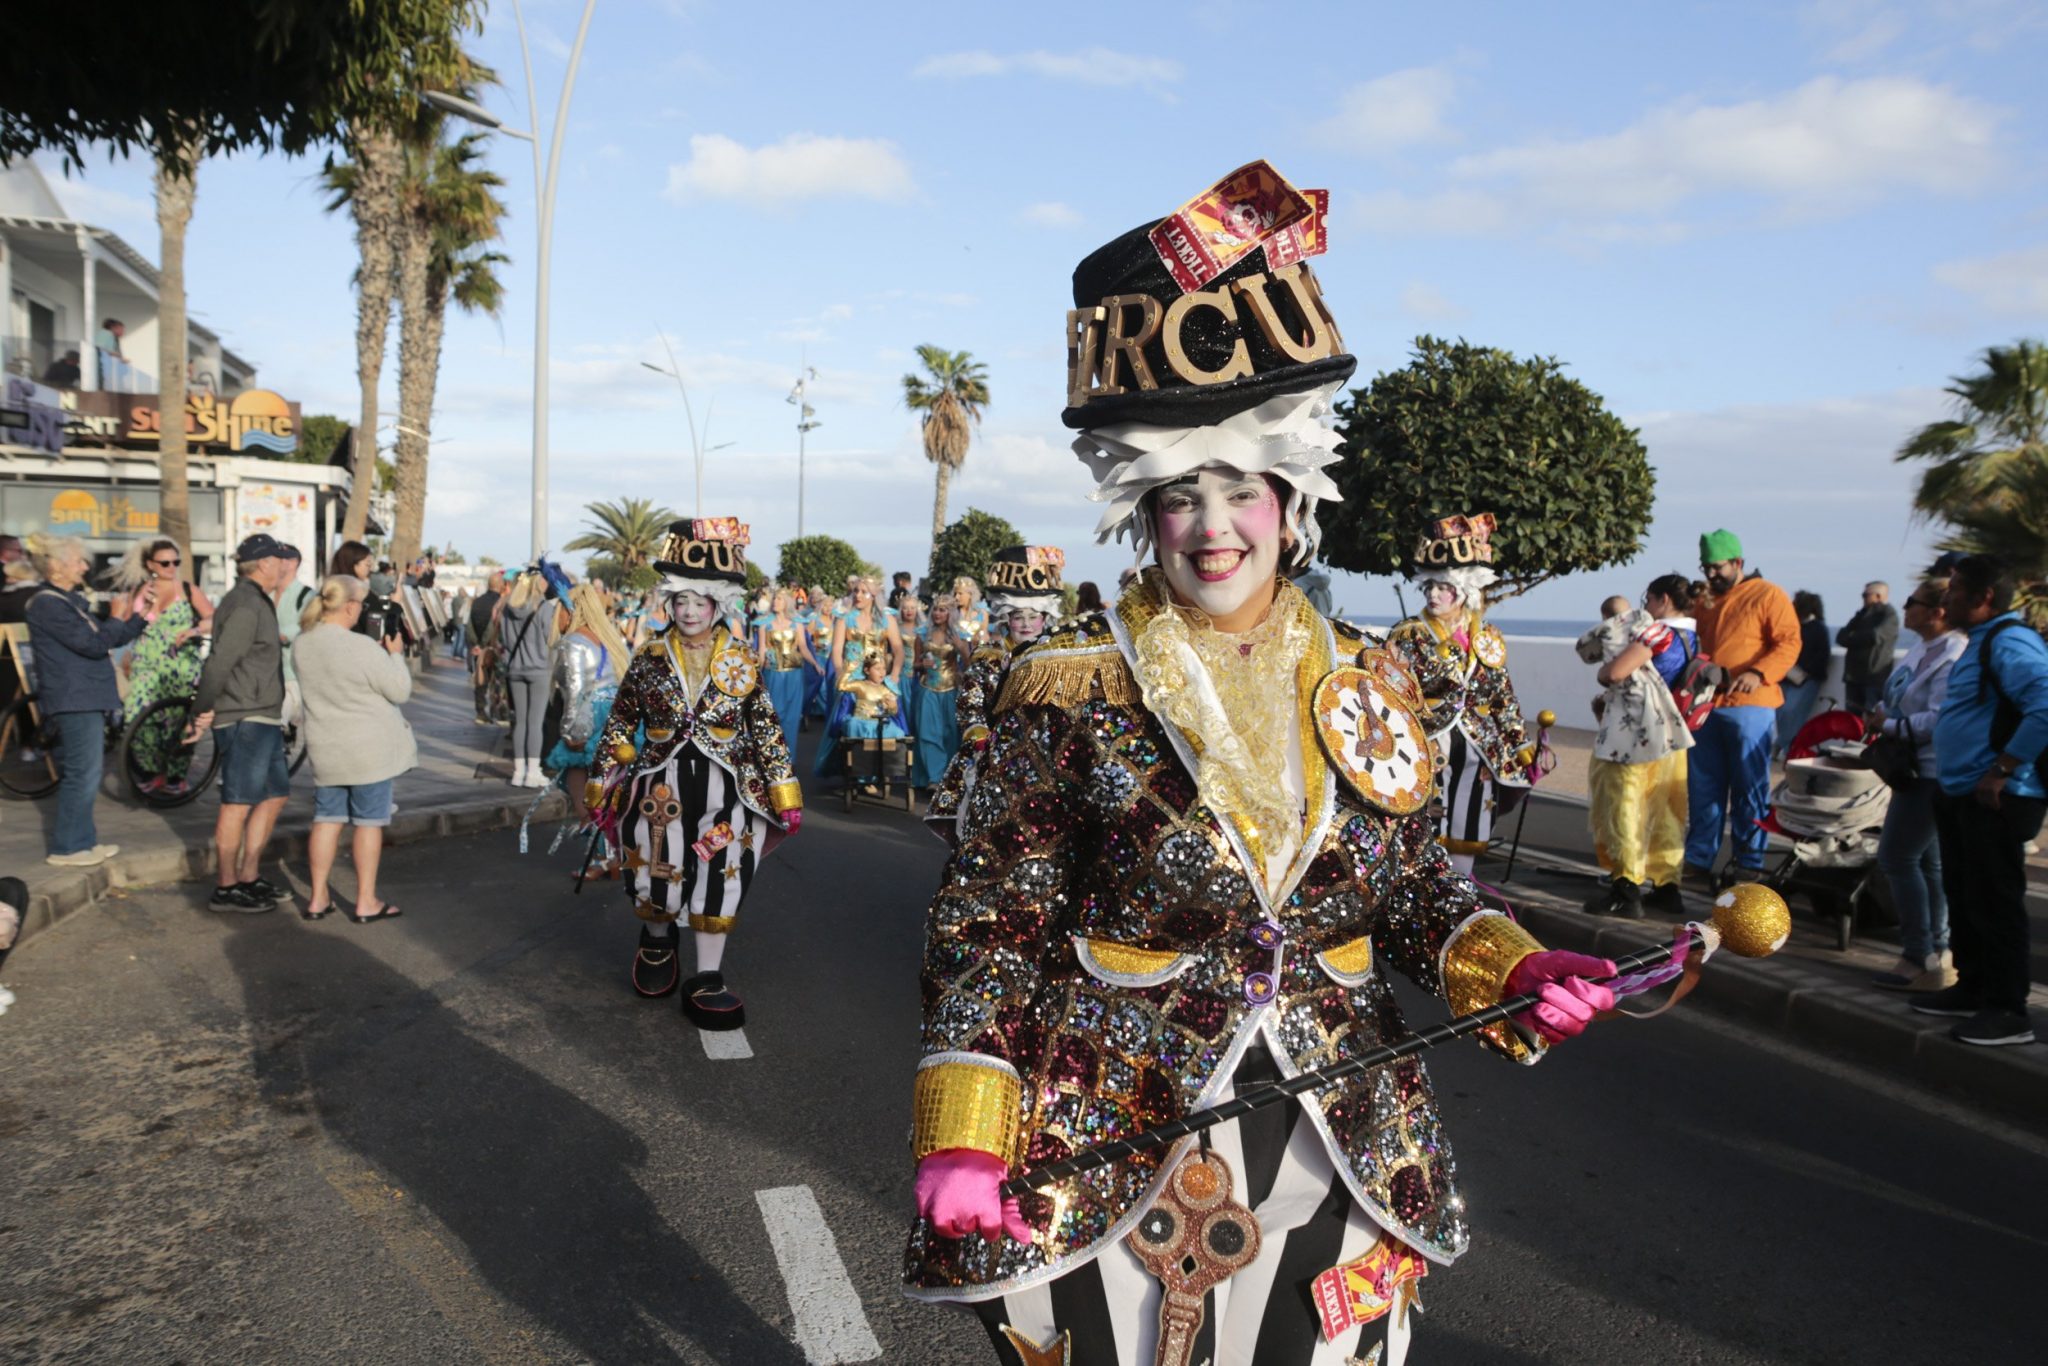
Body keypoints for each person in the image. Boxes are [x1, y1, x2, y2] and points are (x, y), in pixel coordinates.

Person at [906, 167, 1614, 1364]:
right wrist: (966, 1124)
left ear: (1290, 496)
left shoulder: (1371, 673)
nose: (1213, 526)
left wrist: (1513, 964)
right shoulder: (1071, 681)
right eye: (1179, 495)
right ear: (1141, 508)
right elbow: (992, 918)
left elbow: (1409, 887)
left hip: (1336, 1118)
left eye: (1241, 488)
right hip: (1116, 1121)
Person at [586, 518, 802, 1028]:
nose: (687, 611)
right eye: (679, 601)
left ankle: (707, 975)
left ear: (717, 605)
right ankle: (657, 940)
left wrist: (784, 792)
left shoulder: (742, 659)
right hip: (657, 785)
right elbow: (621, 721)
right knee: (656, 865)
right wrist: (601, 779)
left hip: (728, 789)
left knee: (721, 869)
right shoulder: (649, 657)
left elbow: (766, 728)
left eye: (698, 602)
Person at [1914, 554, 2048, 1046]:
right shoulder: (1982, 642)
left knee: (1997, 903)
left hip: (1996, 795)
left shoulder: (2010, 643)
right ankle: (1973, 987)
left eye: (1954, 590)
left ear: (1983, 597)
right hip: (1962, 793)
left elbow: (2045, 705)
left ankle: (2009, 1011)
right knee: (1967, 895)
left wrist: (2001, 770)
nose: (1945, 599)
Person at [1387, 514, 1537, 877]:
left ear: (1464, 591)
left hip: (1478, 751)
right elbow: (1390, 692)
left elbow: (1502, 694)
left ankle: (1462, 892)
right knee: (1421, 829)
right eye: (1430, 587)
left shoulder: (1486, 636)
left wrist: (1519, 744)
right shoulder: (1407, 635)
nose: (1434, 594)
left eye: (1444, 587)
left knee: (1468, 826)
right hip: (1425, 746)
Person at [292, 575, 414, 923]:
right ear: (349, 607)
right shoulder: (361, 647)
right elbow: (399, 690)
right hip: (368, 751)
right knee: (368, 823)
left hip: (325, 747)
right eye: (361, 603)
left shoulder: (303, 643)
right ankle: (365, 901)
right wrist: (395, 655)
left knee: (326, 820)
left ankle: (317, 899)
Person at [922, 546, 1063, 838]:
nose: (1025, 624)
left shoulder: (1058, 660)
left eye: (1032, 616)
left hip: (1045, 755)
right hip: (994, 751)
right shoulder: (990, 656)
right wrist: (978, 732)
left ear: (1045, 618)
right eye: (1017, 616)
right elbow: (971, 698)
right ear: (1005, 618)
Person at [1576, 574, 1697, 918]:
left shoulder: (1655, 631)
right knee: (1668, 811)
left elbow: (1616, 672)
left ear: (1662, 600)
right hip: (1671, 733)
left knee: (1624, 807)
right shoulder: (1692, 636)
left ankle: (1626, 888)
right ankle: (1667, 885)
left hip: (1634, 738)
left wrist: (1604, 676)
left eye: (1648, 598)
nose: (1643, 606)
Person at [1685, 529, 1799, 889]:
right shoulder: (1704, 602)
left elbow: (1789, 642)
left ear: (1737, 563)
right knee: (1704, 788)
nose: (1711, 574)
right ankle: (1699, 859)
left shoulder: (1768, 594)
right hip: (1707, 706)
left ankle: (1749, 863)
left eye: (1717, 567)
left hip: (1751, 706)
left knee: (1750, 788)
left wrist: (1757, 672)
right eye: (1706, 568)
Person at [22, 533, 145, 866]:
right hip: (74, 698)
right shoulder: (48, 603)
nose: (84, 566)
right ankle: (67, 848)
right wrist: (119, 617)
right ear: (56, 566)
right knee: (82, 772)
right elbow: (93, 645)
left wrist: (138, 618)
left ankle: (83, 842)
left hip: (84, 696)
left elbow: (104, 638)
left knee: (86, 771)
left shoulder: (65, 600)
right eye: (78, 560)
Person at [190, 535, 298, 912]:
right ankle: (226, 887)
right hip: (245, 716)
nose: (285, 565)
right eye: (280, 559)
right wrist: (200, 711)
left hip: (262, 715)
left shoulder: (254, 600)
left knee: (275, 795)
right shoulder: (246, 604)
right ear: (264, 563)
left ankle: (248, 876)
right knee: (237, 803)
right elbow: (219, 662)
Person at [1868, 578, 1965, 992]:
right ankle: (1935, 952)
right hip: (1911, 767)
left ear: (1937, 611)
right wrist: (1883, 714)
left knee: (1896, 858)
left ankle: (1916, 955)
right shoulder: (1923, 649)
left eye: (1913, 603)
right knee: (1928, 863)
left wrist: (1889, 725)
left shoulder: (1955, 654)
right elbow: (1902, 696)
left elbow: (1940, 718)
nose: (1905, 609)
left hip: (1932, 771)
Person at [106, 538, 213, 798]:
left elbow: (214, 616)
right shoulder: (140, 591)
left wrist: (195, 630)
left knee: (177, 723)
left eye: (176, 561)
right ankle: (149, 771)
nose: (171, 567)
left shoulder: (188, 590)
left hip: (180, 667)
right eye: (165, 562)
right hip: (146, 666)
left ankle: (176, 776)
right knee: (137, 718)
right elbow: (123, 625)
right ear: (150, 564)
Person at [547, 583, 631, 823]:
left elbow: (576, 692)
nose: (557, 617)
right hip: (614, 716)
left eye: (559, 610)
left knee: (586, 800)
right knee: (609, 795)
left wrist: (572, 731)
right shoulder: (605, 638)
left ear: (569, 610)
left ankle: (598, 854)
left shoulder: (573, 642)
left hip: (590, 718)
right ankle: (607, 854)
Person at [817, 576, 903, 777]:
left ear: (873, 595)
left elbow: (898, 649)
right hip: (853, 679)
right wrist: (839, 673)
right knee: (847, 725)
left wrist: (895, 674)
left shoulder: (886, 619)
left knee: (886, 719)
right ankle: (853, 769)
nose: (858, 595)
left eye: (863, 591)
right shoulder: (844, 619)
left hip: (879, 678)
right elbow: (837, 650)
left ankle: (882, 768)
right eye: (855, 591)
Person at [499, 571, 554, 788]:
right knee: (535, 722)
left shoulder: (507, 608)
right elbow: (551, 638)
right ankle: (533, 771)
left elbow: (504, 639)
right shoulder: (544, 608)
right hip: (539, 669)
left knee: (520, 722)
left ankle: (518, 771)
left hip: (515, 668)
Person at [756, 588, 823, 757]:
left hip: (794, 673)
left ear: (786, 602)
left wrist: (815, 664)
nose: (775, 602)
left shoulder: (797, 623)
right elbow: (762, 650)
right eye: (774, 599)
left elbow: (803, 648)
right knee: (775, 713)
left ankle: (789, 758)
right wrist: (757, 672)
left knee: (792, 717)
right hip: (773, 673)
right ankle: (773, 754)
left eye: (779, 599)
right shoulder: (764, 624)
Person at [911, 594, 965, 789]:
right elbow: (914, 664)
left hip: (950, 690)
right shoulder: (922, 634)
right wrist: (921, 664)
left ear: (950, 613)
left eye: (942, 610)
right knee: (927, 732)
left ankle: (948, 777)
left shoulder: (959, 635)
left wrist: (961, 648)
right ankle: (934, 777)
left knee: (950, 735)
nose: (937, 613)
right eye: (935, 609)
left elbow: (970, 665)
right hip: (928, 690)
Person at [1776, 591, 1831, 757]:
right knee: (1783, 716)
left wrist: (1804, 672)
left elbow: (1821, 656)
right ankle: (1785, 747)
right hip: (1788, 678)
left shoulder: (1817, 629)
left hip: (1805, 680)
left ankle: (1788, 749)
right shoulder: (1797, 627)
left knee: (1791, 715)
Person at [1837, 582, 1900, 717]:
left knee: (1872, 719)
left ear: (1878, 596)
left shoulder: (1889, 615)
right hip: (1853, 677)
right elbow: (1841, 637)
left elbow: (1874, 636)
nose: (1863, 598)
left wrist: (1852, 638)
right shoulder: (1861, 614)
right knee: (1851, 719)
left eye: (1866, 595)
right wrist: (1856, 638)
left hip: (1874, 677)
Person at [469, 568, 505, 721]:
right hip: (493, 647)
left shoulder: (477, 602)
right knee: (497, 681)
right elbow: (493, 627)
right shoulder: (501, 602)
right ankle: (499, 713)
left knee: (480, 679)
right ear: (500, 585)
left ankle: (480, 711)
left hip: (478, 648)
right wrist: (485, 643)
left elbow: (469, 625)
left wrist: (476, 644)